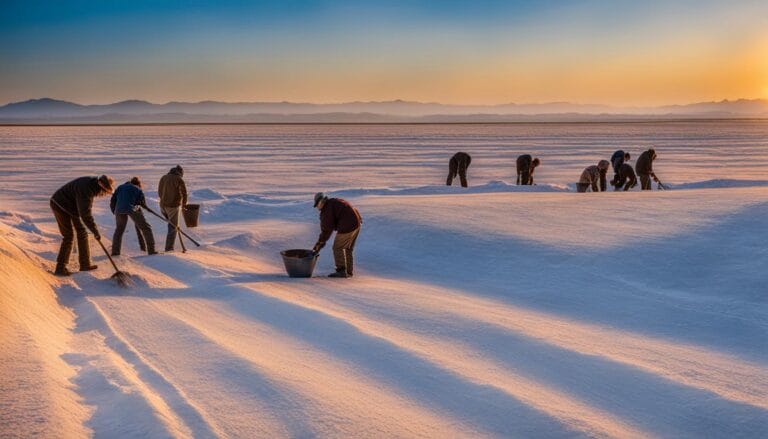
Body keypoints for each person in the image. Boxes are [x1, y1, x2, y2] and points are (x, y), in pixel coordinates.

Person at [49, 175, 113, 276]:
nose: (103, 194)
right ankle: (60, 268)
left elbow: (83, 210)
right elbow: (85, 215)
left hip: (71, 207)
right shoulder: (87, 190)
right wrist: (95, 232)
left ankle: (85, 264)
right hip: (59, 204)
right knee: (68, 236)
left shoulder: (91, 185)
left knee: (82, 232)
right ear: (101, 187)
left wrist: (94, 231)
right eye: (104, 192)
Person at [312, 192, 362, 278]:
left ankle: (342, 271)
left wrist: (319, 244)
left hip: (348, 226)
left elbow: (326, 230)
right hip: (356, 224)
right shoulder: (333, 202)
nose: (317, 207)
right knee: (347, 248)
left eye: (317, 204)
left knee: (337, 247)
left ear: (321, 202)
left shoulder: (327, 210)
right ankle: (348, 272)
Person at [110, 177, 156, 256]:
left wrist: (114, 211)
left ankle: (115, 252)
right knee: (146, 228)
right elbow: (141, 203)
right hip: (130, 208)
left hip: (119, 209)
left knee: (119, 230)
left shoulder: (120, 187)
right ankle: (151, 250)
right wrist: (146, 208)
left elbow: (113, 200)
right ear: (138, 184)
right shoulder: (137, 189)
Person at [158, 165, 188, 252]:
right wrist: (184, 205)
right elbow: (184, 193)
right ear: (180, 172)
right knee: (173, 227)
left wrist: (164, 200)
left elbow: (159, 192)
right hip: (173, 206)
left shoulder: (163, 177)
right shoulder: (179, 179)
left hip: (163, 206)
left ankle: (170, 247)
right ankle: (169, 248)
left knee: (172, 225)